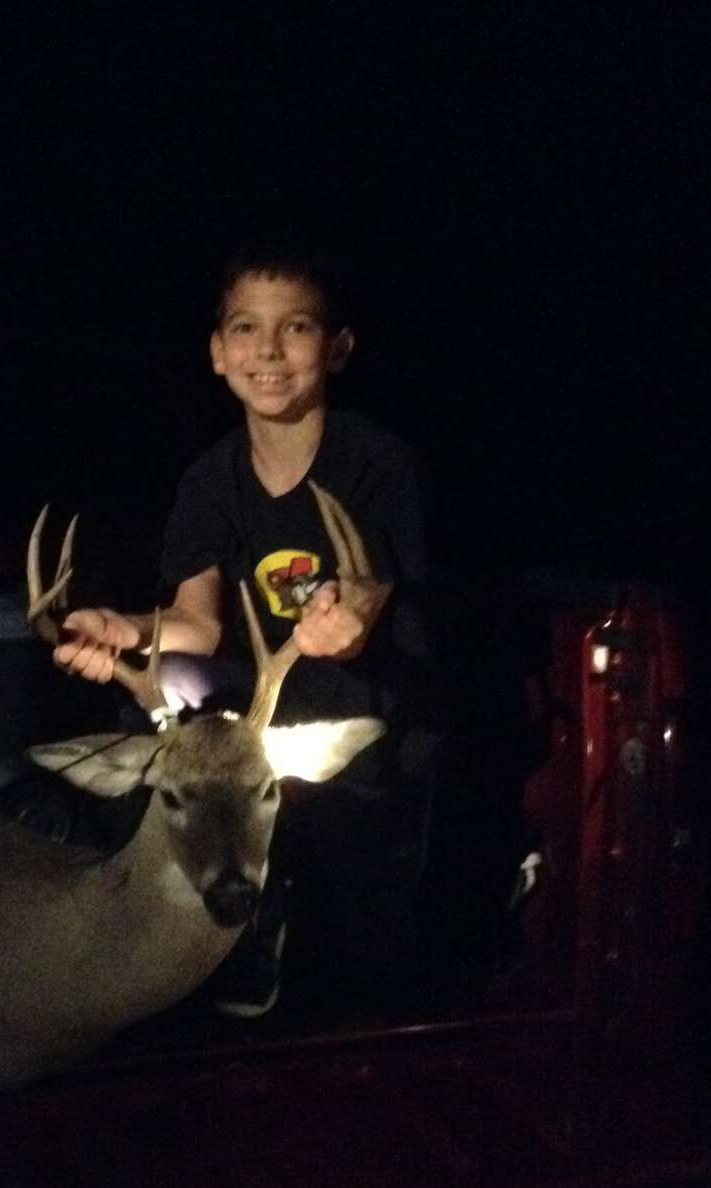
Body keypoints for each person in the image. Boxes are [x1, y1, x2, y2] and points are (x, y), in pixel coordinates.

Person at [52, 241, 438, 1018]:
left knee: (366, 962)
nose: (268, 350)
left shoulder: (380, 465)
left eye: (294, 329)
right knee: (154, 708)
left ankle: (300, 929)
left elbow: (368, 591)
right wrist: (121, 630)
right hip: (267, 709)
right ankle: (225, 925)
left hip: (374, 703)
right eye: (245, 330)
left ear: (336, 349)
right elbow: (194, 624)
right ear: (218, 354)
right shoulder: (210, 480)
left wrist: (345, 623)